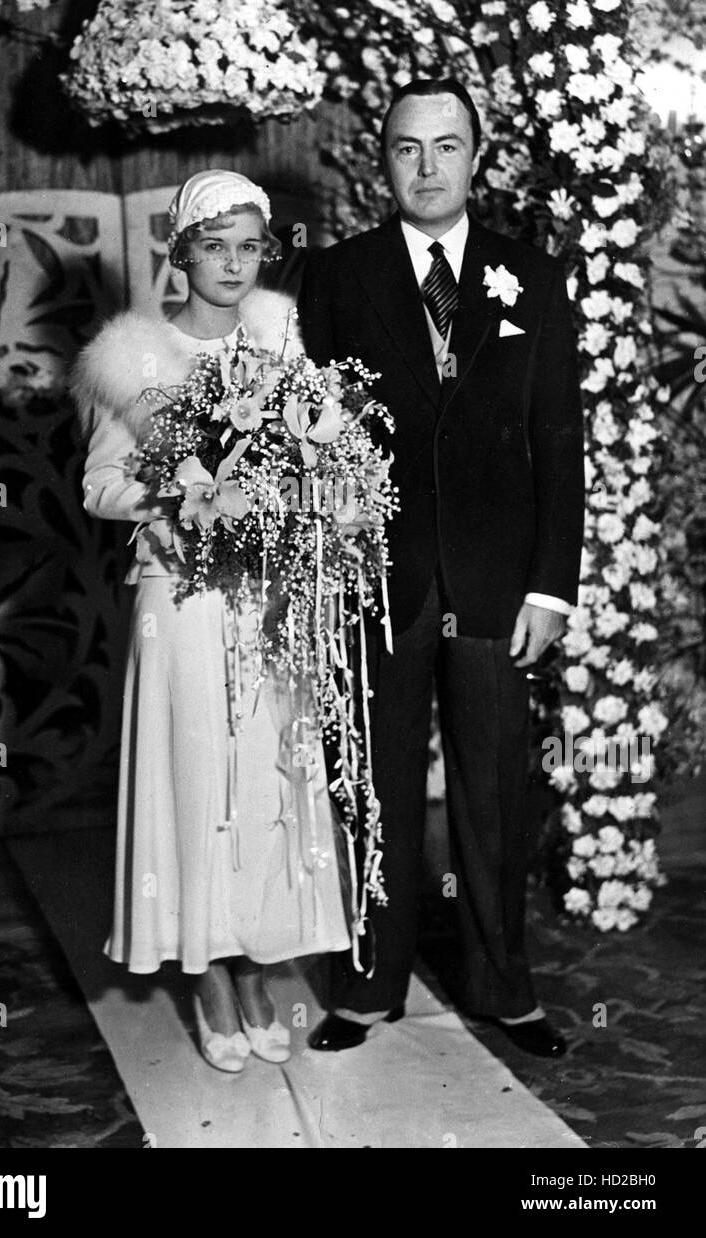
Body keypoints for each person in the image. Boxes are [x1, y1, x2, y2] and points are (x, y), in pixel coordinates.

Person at [298, 78, 585, 1058]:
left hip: (500, 586)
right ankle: (366, 986)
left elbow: (557, 440)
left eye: (445, 147)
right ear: (382, 161)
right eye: (406, 149)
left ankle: (504, 988)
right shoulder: (335, 278)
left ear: (477, 155)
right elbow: (314, 437)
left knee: (496, 792)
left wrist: (551, 585)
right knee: (369, 788)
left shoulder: (531, 277)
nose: (426, 167)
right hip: (379, 578)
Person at [70, 170, 350, 1073]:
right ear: (179, 254)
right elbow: (100, 486)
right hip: (180, 600)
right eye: (212, 246)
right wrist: (182, 491)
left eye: (246, 247)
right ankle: (209, 973)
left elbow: (326, 454)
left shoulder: (281, 345)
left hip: (269, 598)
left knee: (264, 788)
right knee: (197, 778)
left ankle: (261, 960)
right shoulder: (136, 359)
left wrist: (310, 493)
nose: (231, 264)